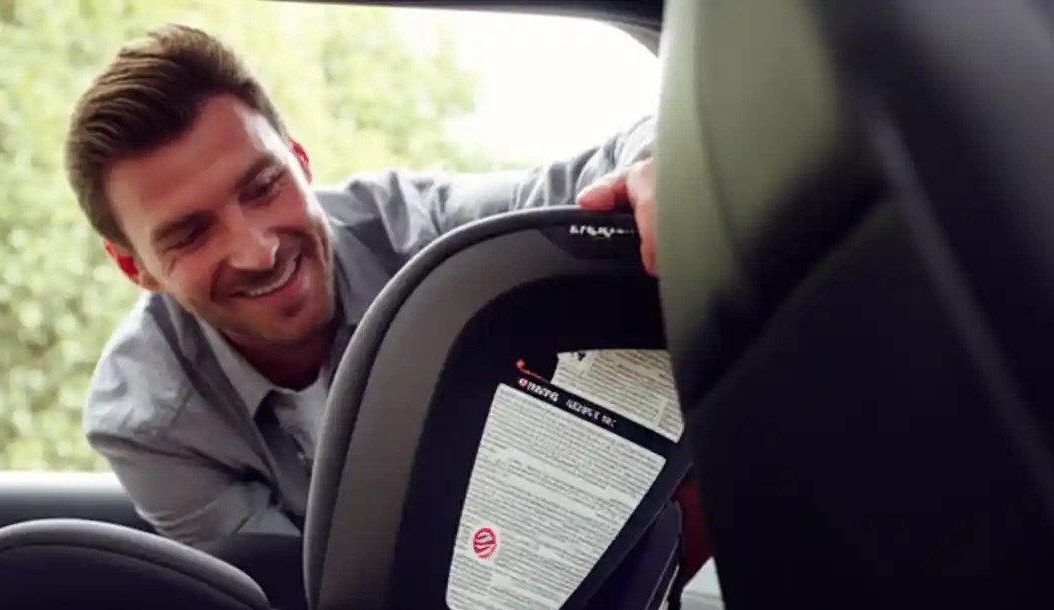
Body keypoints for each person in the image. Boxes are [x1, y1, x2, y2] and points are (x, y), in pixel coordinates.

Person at [64, 23, 694, 570]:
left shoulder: (431, 234)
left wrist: (661, 167)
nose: (256, 250)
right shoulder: (146, 423)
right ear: (134, 266)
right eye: (191, 233)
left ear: (302, 162)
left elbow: (608, 167)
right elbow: (286, 607)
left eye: (262, 186)